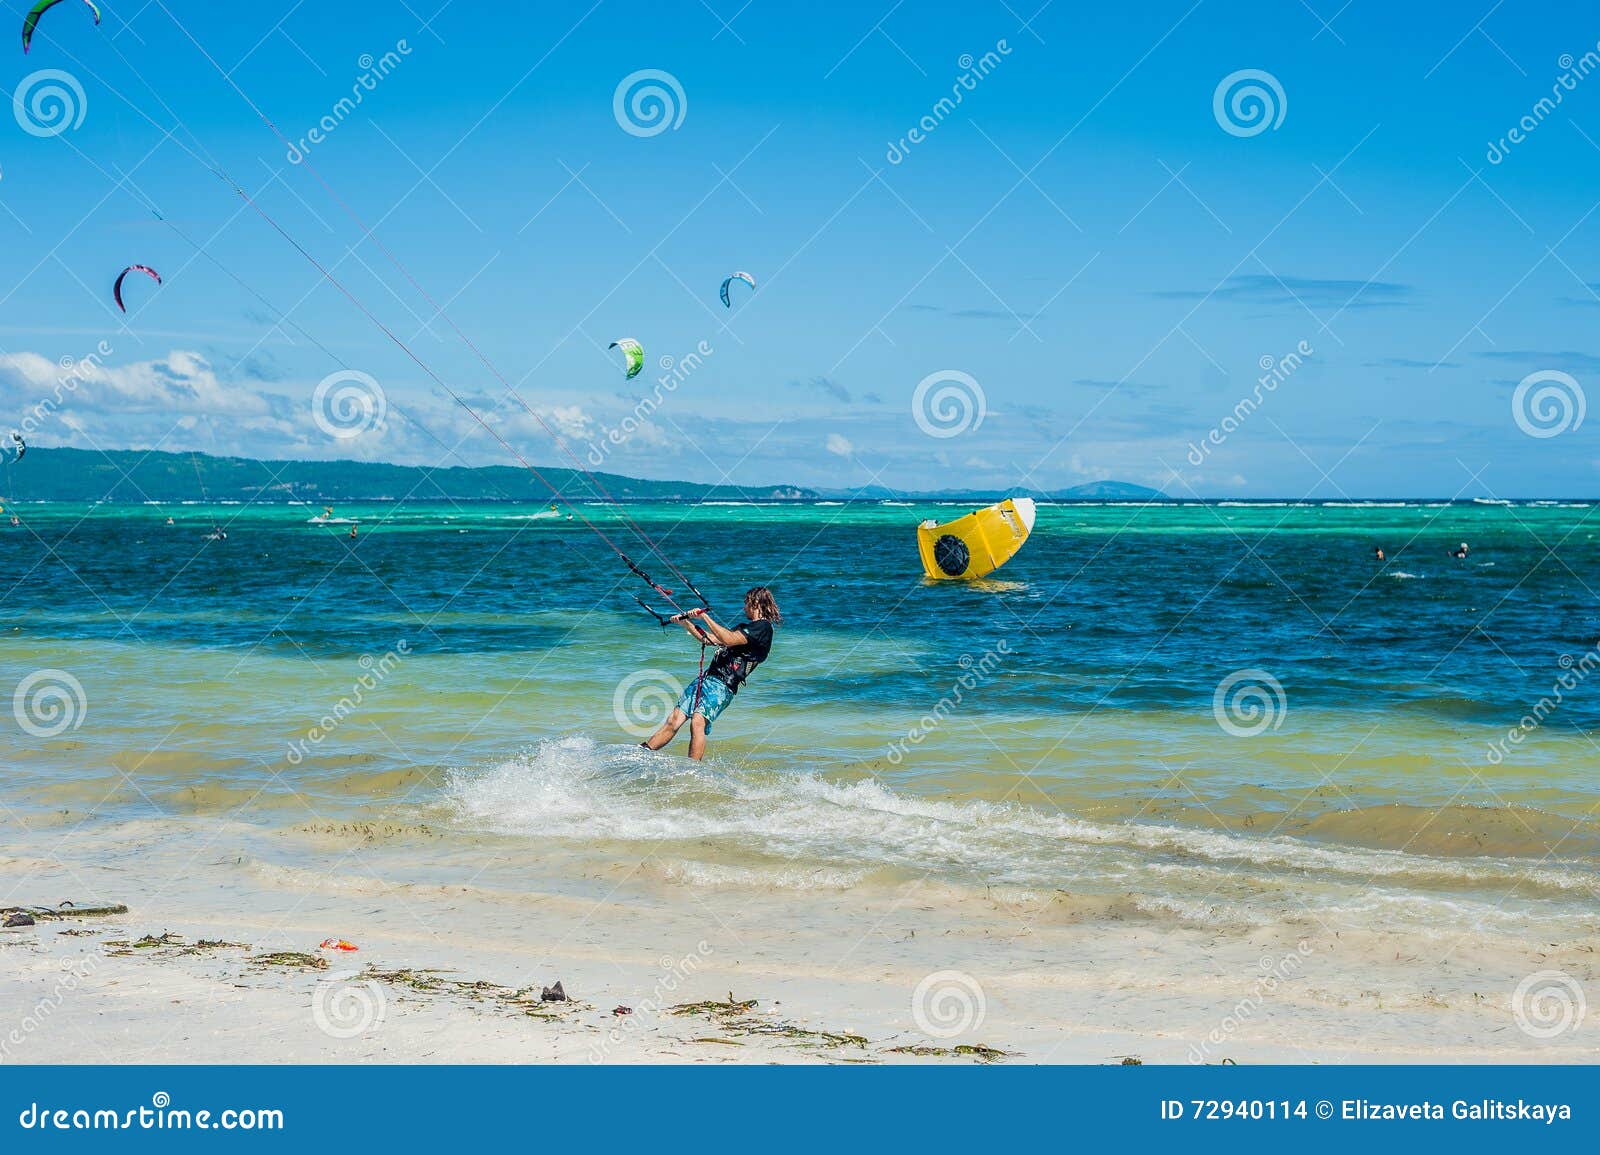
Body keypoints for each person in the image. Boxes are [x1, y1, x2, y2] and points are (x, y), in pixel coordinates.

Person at [641, 586, 780, 760]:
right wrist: (686, 623)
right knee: (674, 718)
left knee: (697, 721)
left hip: (723, 686)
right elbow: (710, 639)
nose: (744, 607)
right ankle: (644, 752)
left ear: (756, 602)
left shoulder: (763, 628)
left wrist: (704, 617)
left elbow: (728, 639)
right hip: (706, 679)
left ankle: (692, 768)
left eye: (746, 602)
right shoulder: (745, 627)